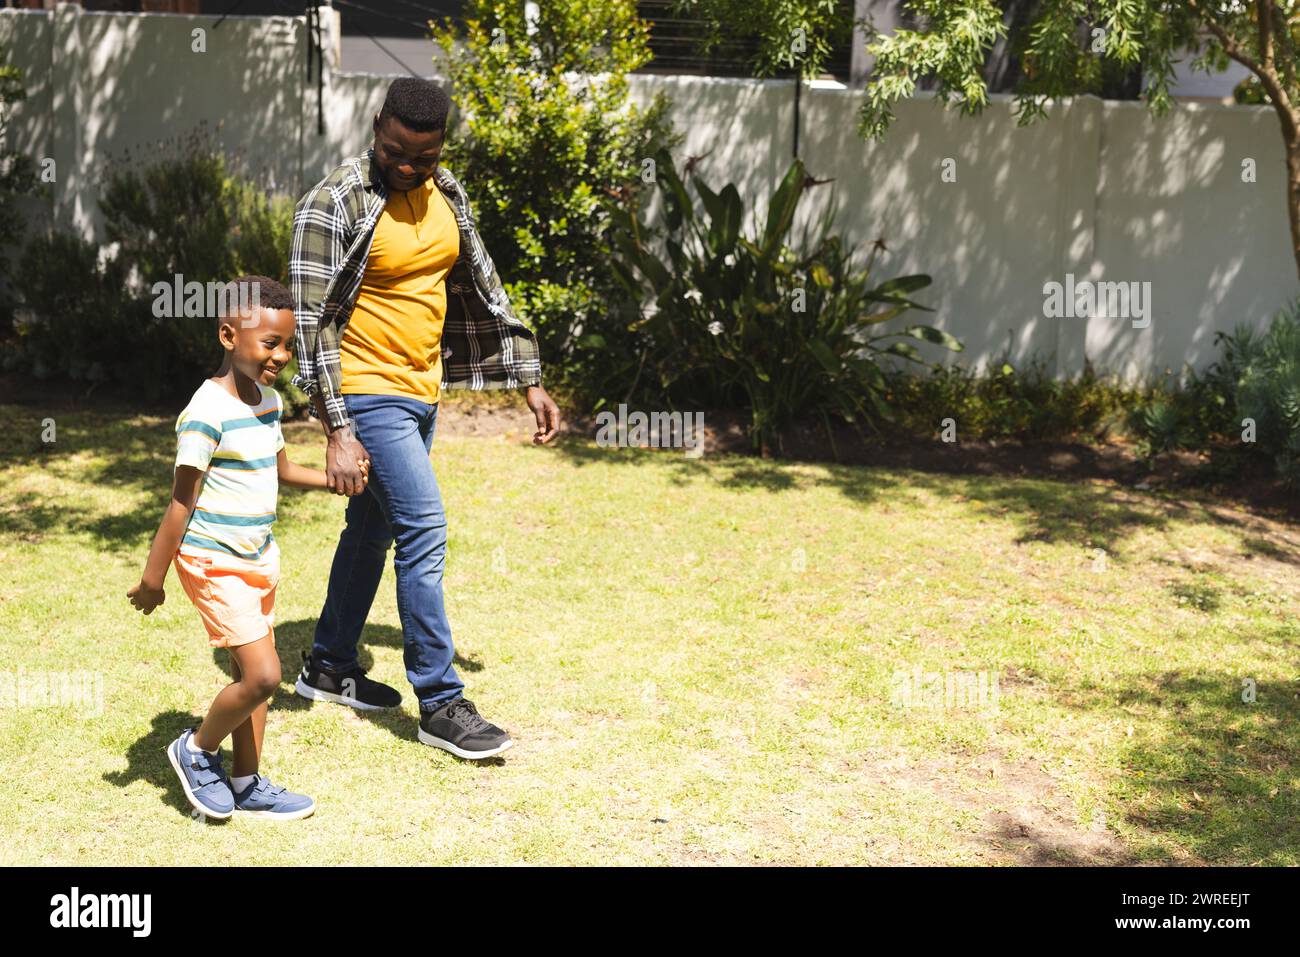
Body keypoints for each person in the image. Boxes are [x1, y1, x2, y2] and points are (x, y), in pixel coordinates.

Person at [289, 76, 561, 759]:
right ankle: (440, 700)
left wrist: (528, 380)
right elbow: (309, 323)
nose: (408, 166)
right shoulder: (333, 203)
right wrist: (337, 428)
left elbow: (485, 284)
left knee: (373, 526)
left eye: (425, 156)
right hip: (365, 391)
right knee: (423, 527)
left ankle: (328, 664)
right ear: (376, 125)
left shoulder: (447, 194)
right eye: (396, 151)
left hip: (422, 391)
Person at [127, 276, 369, 820]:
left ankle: (246, 782)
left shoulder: (269, 402)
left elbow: (280, 471)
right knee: (264, 676)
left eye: (287, 345)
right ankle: (194, 750)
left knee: (249, 678)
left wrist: (339, 480)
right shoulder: (206, 412)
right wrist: (152, 578)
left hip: (259, 557)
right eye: (270, 343)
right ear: (228, 335)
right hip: (214, 560)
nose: (281, 355)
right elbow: (180, 504)